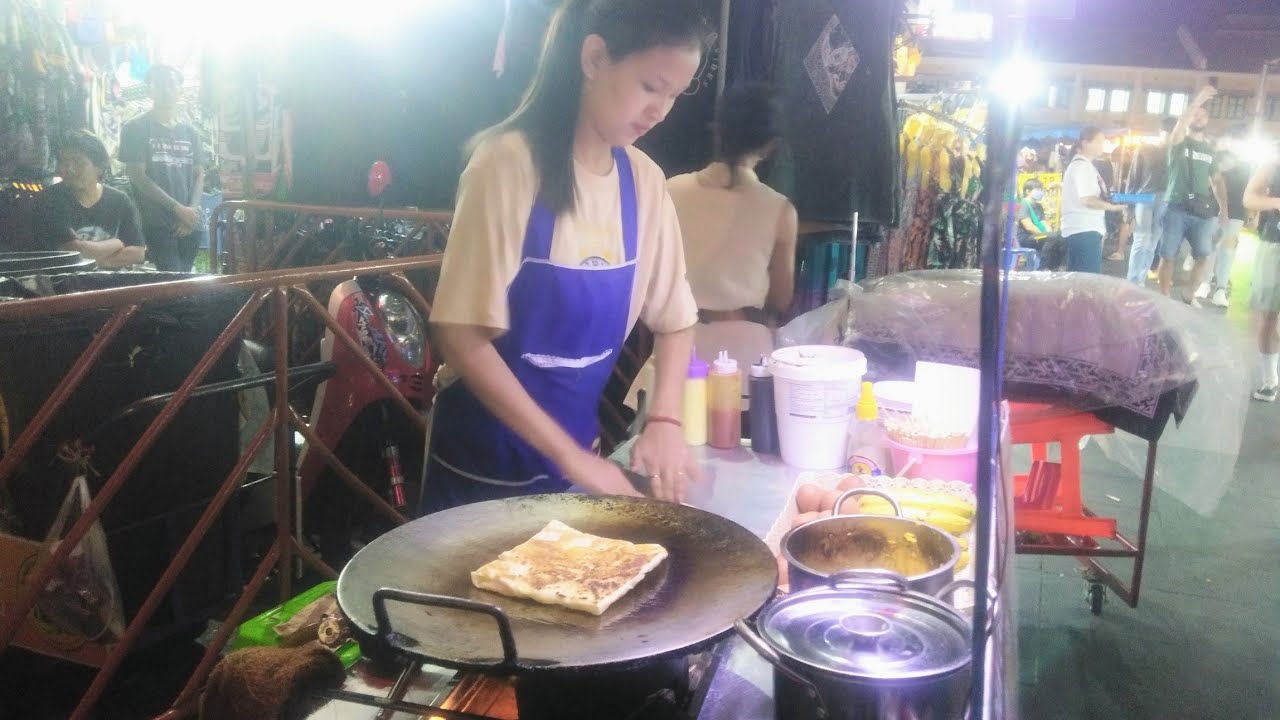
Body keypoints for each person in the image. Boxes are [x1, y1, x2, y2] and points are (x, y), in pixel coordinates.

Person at [423, 0, 706, 512]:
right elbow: (461, 336)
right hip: (480, 475)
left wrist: (665, 421)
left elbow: (676, 320)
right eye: (650, 86)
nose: (660, 111)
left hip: (580, 469)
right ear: (594, 58)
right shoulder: (507, 165)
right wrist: (572, 459)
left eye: (675, 96)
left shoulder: (643, 182)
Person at [666, 82, 797, 368]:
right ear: (770, 147)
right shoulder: (779, 210)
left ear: (717, 132)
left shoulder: (670, 191)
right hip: (747, 354)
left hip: (677, 345)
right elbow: (780, 299)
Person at [119, 64, 204, 272]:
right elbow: (137, 175)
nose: (167, 90)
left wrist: (190, 211)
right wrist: (178, 209)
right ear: (150, 90)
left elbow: (199, 173)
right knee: (171, 280)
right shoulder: (135, 128)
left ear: (180, 90)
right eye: (160, 84)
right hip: (156, 222)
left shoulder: (191, 132)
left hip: (189, 223)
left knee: (184, 279)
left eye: (172, 84)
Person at [31, 131, 146, 269]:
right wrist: (117, 243)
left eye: (78, 162)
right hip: (66, 285)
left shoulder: (119, 200)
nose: (69, 169)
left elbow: (138, 253)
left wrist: (99, 262)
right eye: (63, 161)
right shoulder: (48, 200)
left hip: (113, 284)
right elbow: (73, 251)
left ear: (99, 167)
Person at [1156, 85, 1228, 303]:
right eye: (1195, 114)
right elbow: (1179, 127)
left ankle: (1189, 294)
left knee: (1203, 255)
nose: (1198, 117)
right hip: (1175, 207)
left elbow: (1216, 180)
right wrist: (1197, 101)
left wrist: (1224, 209)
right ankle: (1165, 297)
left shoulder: (1210, 150)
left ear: (1207, 121)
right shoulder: (1179, 143)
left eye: (1203, 115)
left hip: (1202, 211)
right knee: (1168, 256)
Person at [1060, 127, 1126, 273]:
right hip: (1084, 230)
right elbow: (1088, 200)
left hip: (1082, 229)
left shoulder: (1082, 165)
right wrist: (1114, 207)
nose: (1102, 146)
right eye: (1099, 142)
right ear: (1085, 143)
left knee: (1080, 279)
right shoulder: (1083, 167)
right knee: (1087, 280)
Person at [1195, 139, 1250, 308]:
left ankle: (1220, 289)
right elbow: (1205, 184)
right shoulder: (1215, 160)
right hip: (1212, 211)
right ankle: (1205, 282)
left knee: (1226, 251)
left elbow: (1249, 191)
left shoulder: (1246, 167)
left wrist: (1252, 215)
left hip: (1236, 214)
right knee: (1209, 249)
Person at [1124, 116, 1177, 285]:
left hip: (1165, 200)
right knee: (1141, 239)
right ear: (1161, 132)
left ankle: (1140, 278)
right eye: (1168, 133)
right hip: (1144, 197)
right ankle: (1133, 279)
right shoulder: (1145, 149)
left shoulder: (1177, 152)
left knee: (1153, 241)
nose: (1170, 136)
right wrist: (1128, 208)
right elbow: (1133, 177)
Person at [1244, 157, 1280, 402]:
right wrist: (1277, 202)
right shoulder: (1274, 162)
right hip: (1275, 242)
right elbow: (1249, 198)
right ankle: (1270, 380)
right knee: (1268, 314)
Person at [1015, 177, 1049, 250]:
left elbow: (1044, 223)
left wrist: (1051, 234)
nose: (1041, 192)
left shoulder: (1039, 206)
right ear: (1028, 191)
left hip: (1039, 236)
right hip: (1026, 237)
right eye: (1038, 189)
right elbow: (1029, 227)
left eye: (1041, 190)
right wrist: (1045, 236)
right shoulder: (1023, 204)